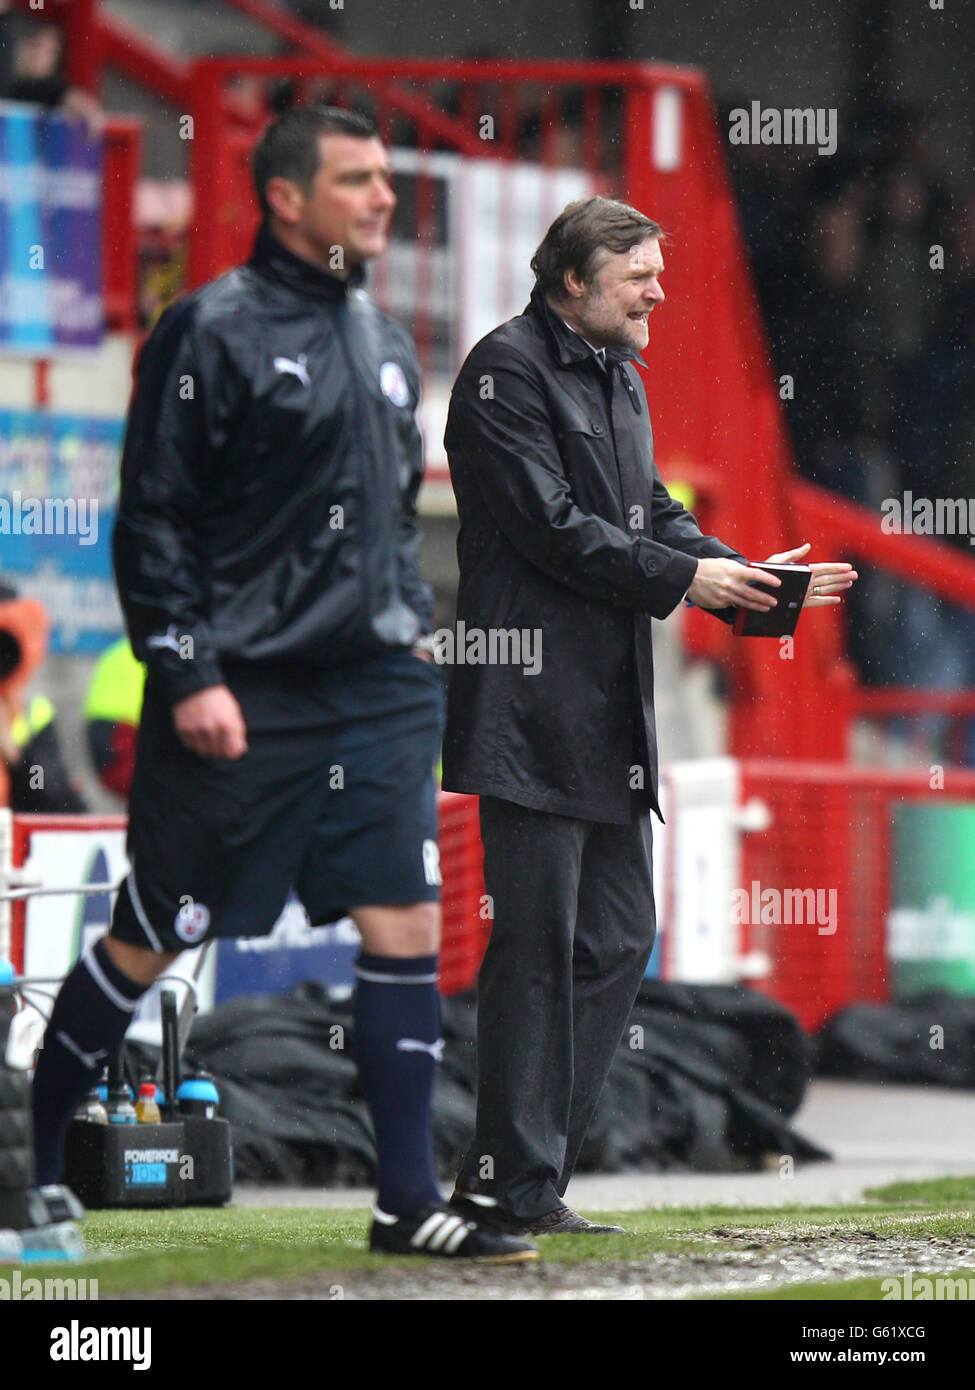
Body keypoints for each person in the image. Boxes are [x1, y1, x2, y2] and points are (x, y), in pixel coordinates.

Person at [30, 105, 536, 1264]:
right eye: (356, 180)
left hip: (377, 687)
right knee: (161, 933)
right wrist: (190, 671)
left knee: (406, 917)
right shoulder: (206, 330)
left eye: (385, 180)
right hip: (240, 692)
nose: (382, 198)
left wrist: (408, 630)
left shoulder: (388, 338)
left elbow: (393, 522)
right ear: (286, 198)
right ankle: (34, 1161)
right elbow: (152, 522)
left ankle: (405, 1202)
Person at [442, 196, 856, 1234]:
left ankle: (532, 1178)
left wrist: (741, 573)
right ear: (572, 281)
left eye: (659, 272)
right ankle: (504, 1182)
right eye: (639, 275)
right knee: (533, 949)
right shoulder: (503, 372)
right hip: (528, 710)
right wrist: (688, 579)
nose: (660, 290)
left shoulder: (620, 374)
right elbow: (553, 529)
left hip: (608, 716)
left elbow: (650, 512)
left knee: (621, 939)